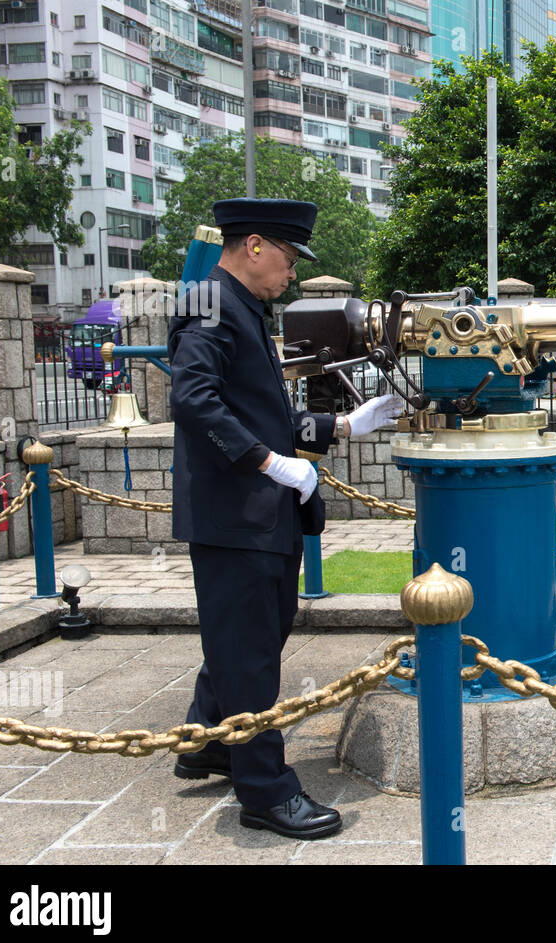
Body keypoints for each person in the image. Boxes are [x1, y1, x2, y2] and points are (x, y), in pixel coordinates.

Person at [168, 198, 402, 840]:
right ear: (255, 246)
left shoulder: (241, 305)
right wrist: (269, 463)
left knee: (251, 636)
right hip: (235, 514)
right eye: (291, 258)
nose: (294, 274)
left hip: (255, 511)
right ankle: (266, 793)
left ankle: (208, 741)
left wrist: (343, 424)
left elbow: (257, 408)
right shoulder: (206, 301)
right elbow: (192, 400)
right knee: (249, 652)